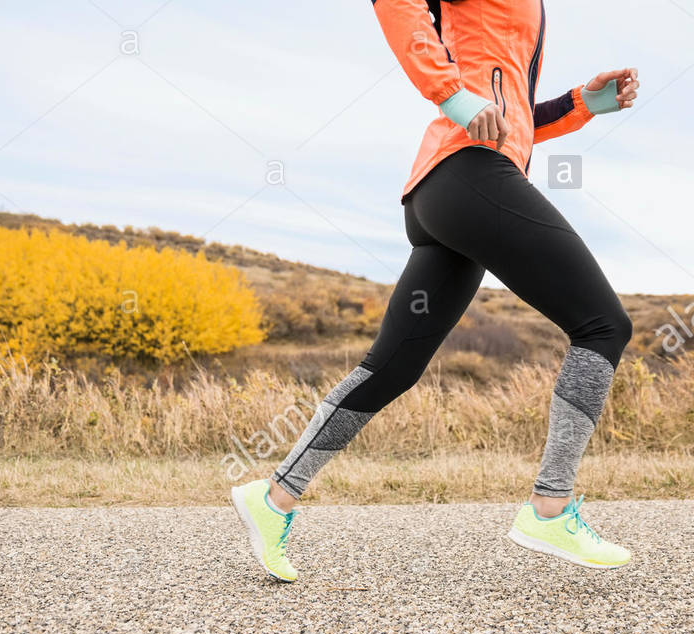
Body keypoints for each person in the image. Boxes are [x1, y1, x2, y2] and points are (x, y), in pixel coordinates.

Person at [231, 0, 639, 581]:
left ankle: (273, 499)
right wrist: (451, 94)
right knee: (603, 325)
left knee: (391, 367)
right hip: (469, 173)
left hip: (449, 192)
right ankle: (550, 506)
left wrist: (581, 105)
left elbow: (508, 113)